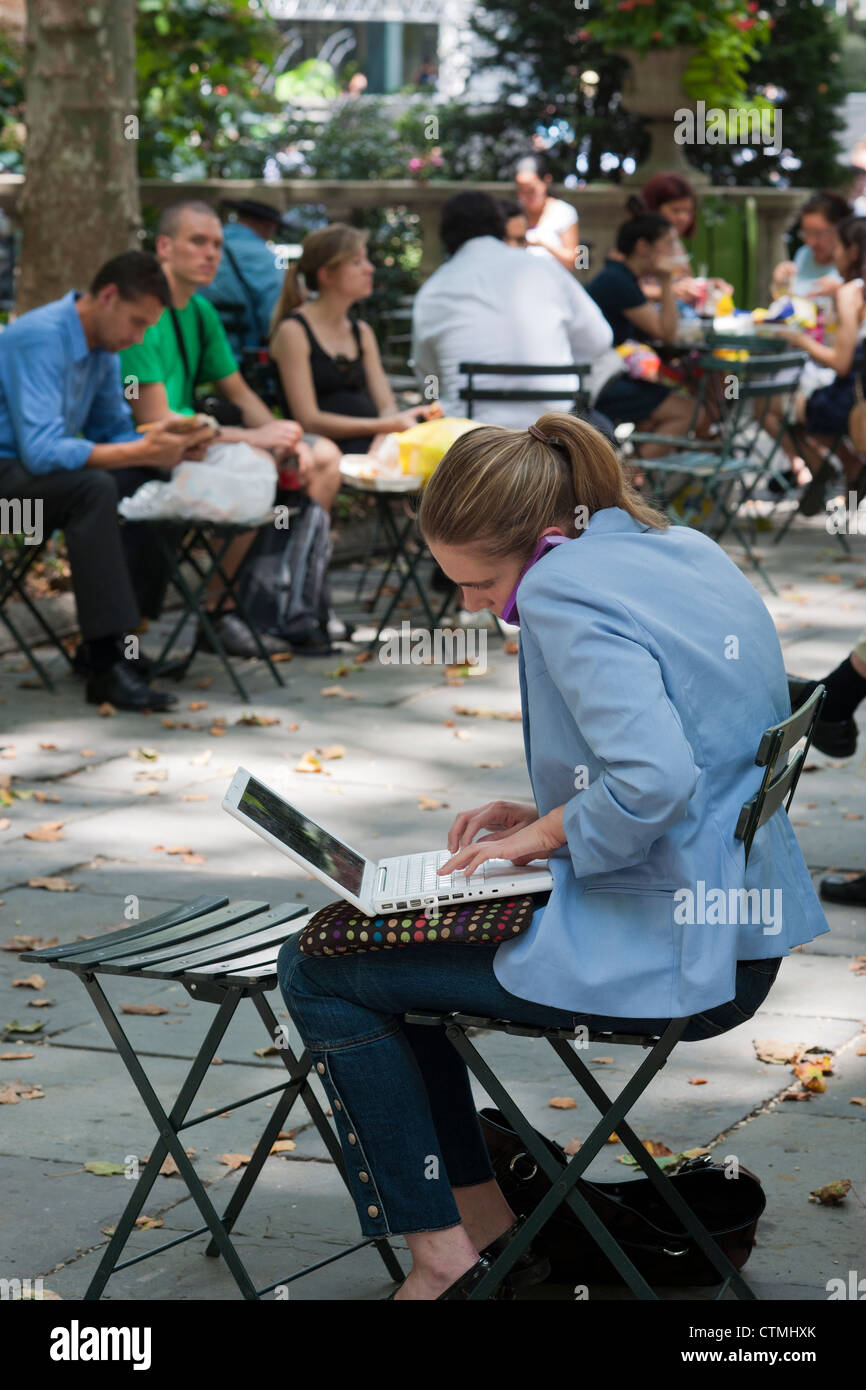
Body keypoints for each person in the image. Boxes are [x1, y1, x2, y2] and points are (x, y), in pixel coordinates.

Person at [275, 410, 828, 1300]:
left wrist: (546, 833)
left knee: (318, 967)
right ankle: (494, 1230)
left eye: (484, 582)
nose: (475, 606)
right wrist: (548, 811)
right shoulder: (676, 544)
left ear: (539, 545)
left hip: (675, 947)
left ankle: (447, 1260)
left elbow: (655, 781)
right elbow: (709, 751)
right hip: (733, 930)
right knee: (383, 966)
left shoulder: (564, 590)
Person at [120, 201, 342, 650]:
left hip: (196, 441)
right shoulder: (143, 311)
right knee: (257, 462)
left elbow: (239, 393)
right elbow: (155, 421)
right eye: (197, 242)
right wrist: (258, 437)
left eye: (217, 244)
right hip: (145, 452)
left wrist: (287, 435)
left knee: (320, 455)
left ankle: (279, 602)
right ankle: (219, 612)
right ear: (164, 246)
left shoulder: (199, 312)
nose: (211, 254)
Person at [0, 251, 212, 710]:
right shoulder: (38, 337)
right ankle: (105, 663)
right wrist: (136, 449)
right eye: (136, 323)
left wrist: (165, 442)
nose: (138, 337)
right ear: (109, 297)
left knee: (154, 478)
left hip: (35, 476)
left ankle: (123, 644)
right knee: (94, 489)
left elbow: (111, 433)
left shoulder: (103, 348)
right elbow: (39, 452)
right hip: (9, 479)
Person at [411, 192, 613, 428]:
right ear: (500, 226)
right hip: (555, 429)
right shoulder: (546, 269)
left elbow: (429, 379)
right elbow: (599, 340)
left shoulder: (433, 289)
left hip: (469, 437)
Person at [270, 223, 437, 454]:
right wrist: (385, 425)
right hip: (324, 450)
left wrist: (382, 437)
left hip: (371, 442)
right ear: (327, 275)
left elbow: (386, 404)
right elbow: (308, 419)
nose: (369, 269)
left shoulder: (362, 332)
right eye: (357, 262)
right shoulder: (294, 331)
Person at [762, 215, 866, 512]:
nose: (834, 254)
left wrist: (800, 340)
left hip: (848, 401)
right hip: (852, 395)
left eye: (839, 247)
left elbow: (841, 363)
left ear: (853, 251)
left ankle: (827, 468)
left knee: (767, 409)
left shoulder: (852, 292)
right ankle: (846, 468)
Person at [585, 210, 708, 454]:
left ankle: (635, 477)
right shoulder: (618, 281)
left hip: (599, 375)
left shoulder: (622, 277)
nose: (675, 250)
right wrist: (665, 281)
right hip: (594, 383)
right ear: (643, 246)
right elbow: (667, 334)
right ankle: (629, 483)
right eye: (669, 243)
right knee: (692, 411)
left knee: (658, 415)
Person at [627, 176, 733, 307]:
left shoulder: (676, 243)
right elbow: (625, 288)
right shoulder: (639, 245)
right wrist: (667, 291)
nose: (684, 218)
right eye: (676, 210)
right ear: (653, 209)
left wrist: (709, 285)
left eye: (688, 211)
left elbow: (684, 281)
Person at [199, 198, 286, 354]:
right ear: (270, 225)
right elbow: (272, 318)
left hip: (196, 351)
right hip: (243, 356)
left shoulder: (201, 250)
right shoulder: (268, 258)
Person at [771, 191, 852, 301]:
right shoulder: (804, 253)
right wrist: (781, 284)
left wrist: (843, 292)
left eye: (818, 233)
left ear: (840, 229)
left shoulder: (853, 263)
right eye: (806, 233)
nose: (810, 242)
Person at [513, 153, 579, 272]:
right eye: (521, 191)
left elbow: (576, 261)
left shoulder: (564, 212)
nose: (526, 196)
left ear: (546, 181)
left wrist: (542, 244)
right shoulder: (514, 212)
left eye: (531, 190)